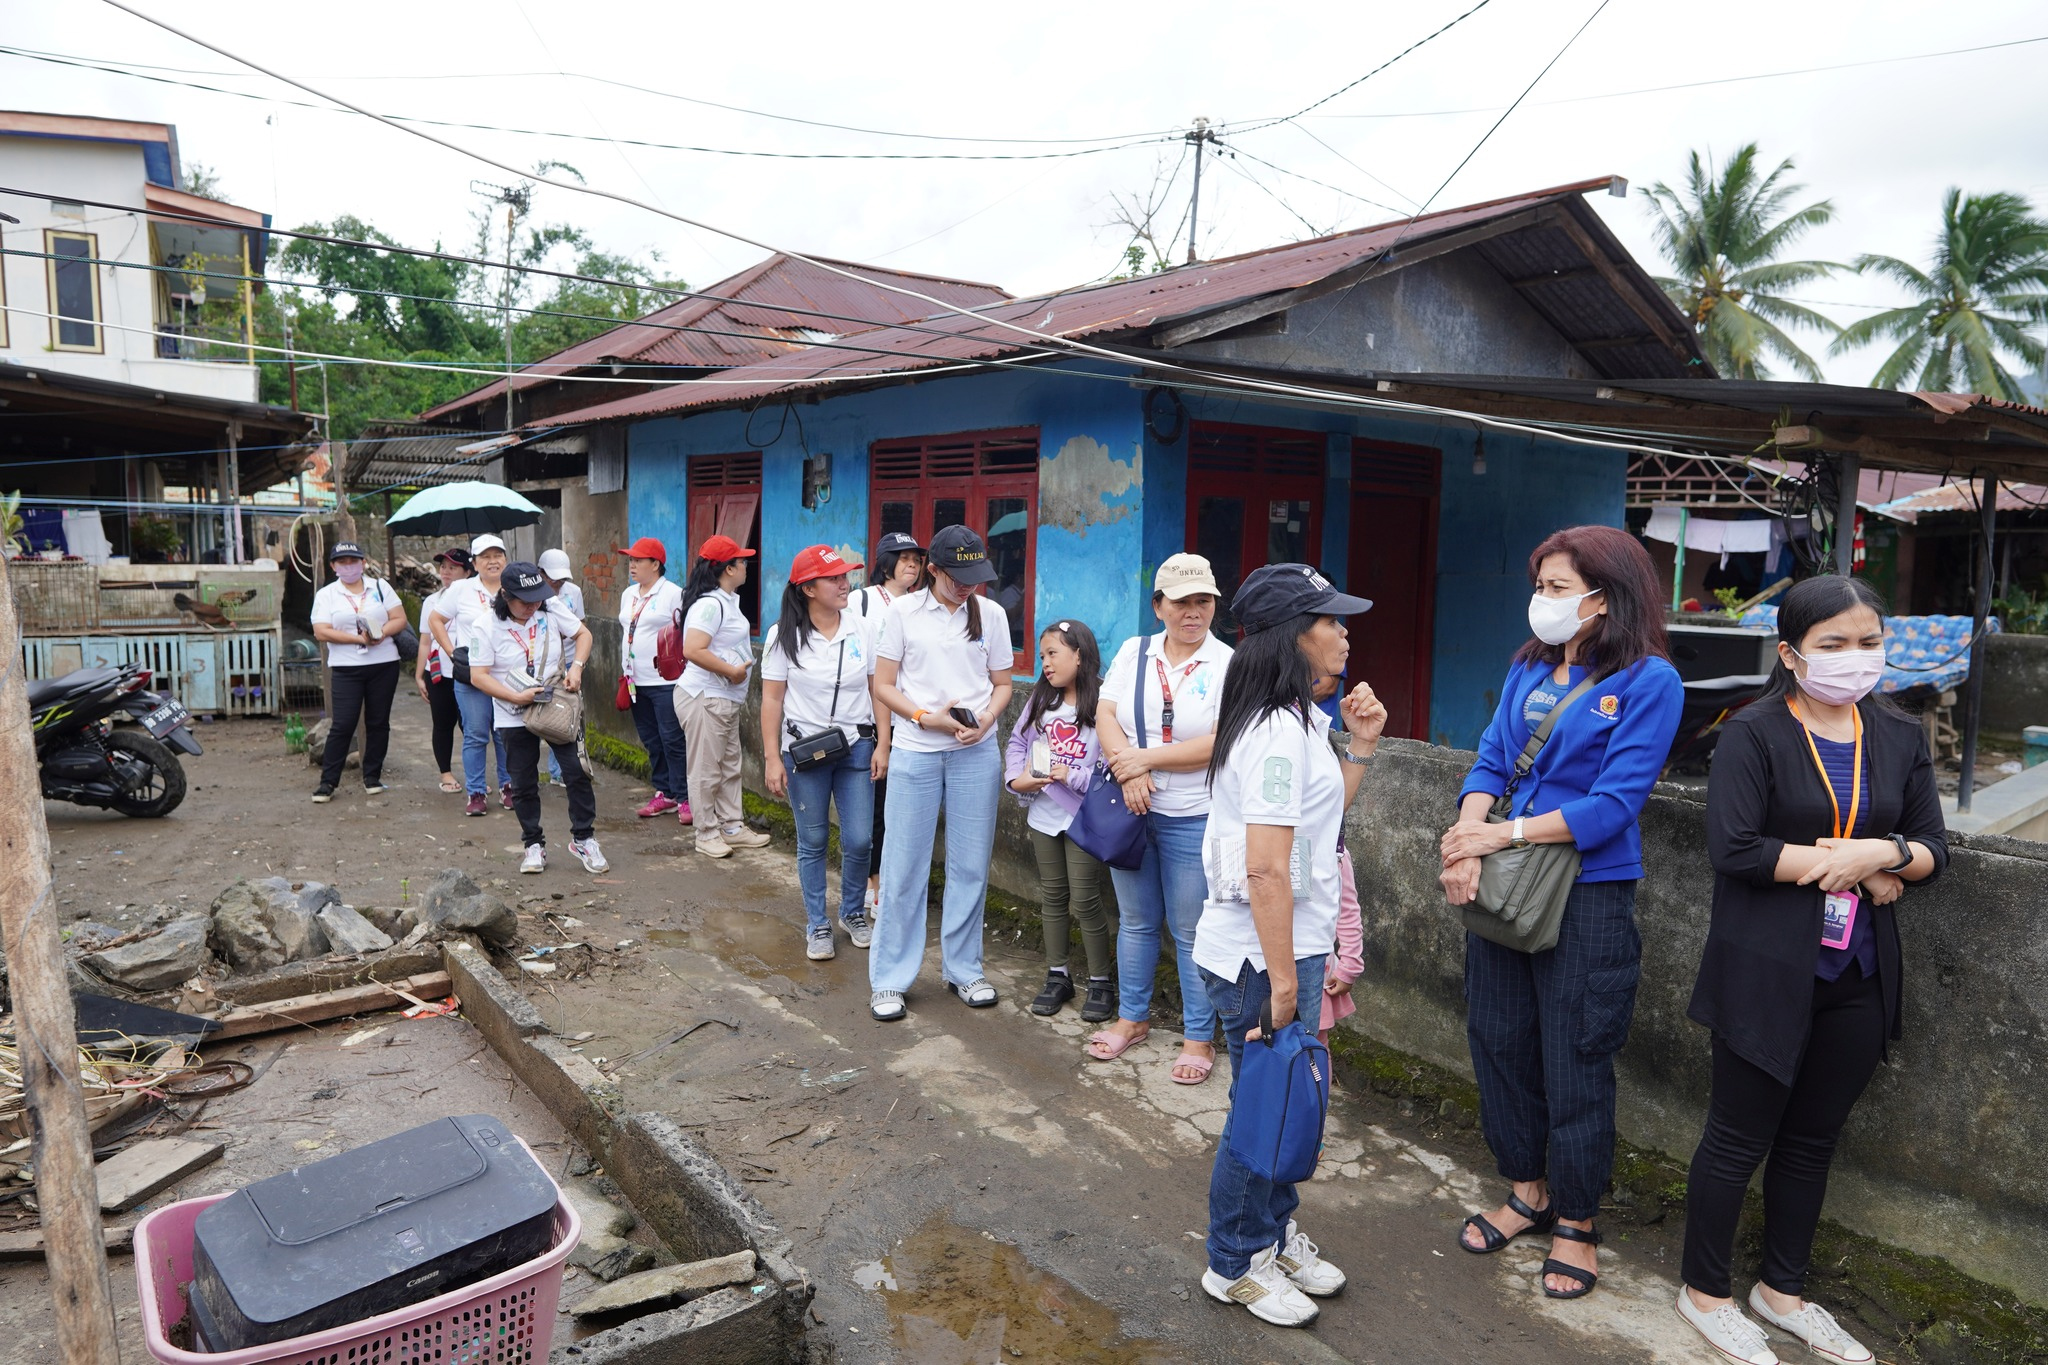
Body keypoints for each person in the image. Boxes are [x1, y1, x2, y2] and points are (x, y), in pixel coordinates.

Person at [1674, 575, 1943, 1365]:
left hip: (1860, 970)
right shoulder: (1752, 733)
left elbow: (1935, 847)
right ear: (1792, 655)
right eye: (1834, 644)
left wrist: (1887, 852)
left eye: (1868, 641)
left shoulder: (1898, 735)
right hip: (1765, 966)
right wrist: (1861, 866)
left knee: (1812, 1139)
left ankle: (1781, 1292)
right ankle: (1706, 1292)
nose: (1855, 658)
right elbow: (1735, 848)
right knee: (1735, 1137)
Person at [1440, 525, 1683, 1301]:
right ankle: (1527, 1189)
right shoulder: (1530, 667)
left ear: (1602, 597)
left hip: (1588, 894)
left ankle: (1577, 1220)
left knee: (1576, 1053)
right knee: (1498, 1038)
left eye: (1553, 587)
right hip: (1506, 885)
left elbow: (1614, 804)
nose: (1539, 601)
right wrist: (1468, 843)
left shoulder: (1650, 682)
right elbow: (1487, 760)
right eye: (1538, 585)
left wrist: (1498, 832)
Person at [1193, 562, 1385, 1327]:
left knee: (1284, 1100)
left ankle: (1270, 1234)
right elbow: (1268, 866)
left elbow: (1317, 826)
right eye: (1329, 621)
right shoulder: (1275, 730)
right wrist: (1280, 979)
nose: (1343, 633)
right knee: (1263, 1104)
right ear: (1289, 635)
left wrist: (1362, 744)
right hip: (1258, 956)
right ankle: (1234, 1260)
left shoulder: (1301, 716)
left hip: (1286, 949)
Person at [1089, 554, 1233, 1084]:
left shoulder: (1227, 663)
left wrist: (1143, 761)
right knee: (1136, 920)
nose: (1193, 612)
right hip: (1131, 809)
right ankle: (1133, 1018)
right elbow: (1105, 714)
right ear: (1159, 607)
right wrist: (1128, 774)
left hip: (1194, 813)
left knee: (1193, 928)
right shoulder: (1135, 651)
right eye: (1181, 602)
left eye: (1203, 601)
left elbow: (1220, 741)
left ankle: (1199, 1037)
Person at [867, 525, 1014, 1021]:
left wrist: (987, 721)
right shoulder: (902, 613)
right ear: (933, 569)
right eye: (958, 576)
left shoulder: (990, 614)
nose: (968, 585)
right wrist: (923, 718)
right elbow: (883, 685)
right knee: (903, 866)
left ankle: (963, 969)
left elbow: (1001, 684)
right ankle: (889, 979)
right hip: (916, 749)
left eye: (976, 576)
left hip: (975, 751)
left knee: (970, 865)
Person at [762, 545, 883, 961]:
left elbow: (876, 690)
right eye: (834, 579)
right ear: (808, 588)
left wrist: (883, 743)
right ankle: (817, 925)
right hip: (805, 753)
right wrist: (772, 758)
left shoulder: (862, 629)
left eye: (844, 576)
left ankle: (852, 912)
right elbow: (772, 701)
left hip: (857, 747)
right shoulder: (783, 635)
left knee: (860, 839)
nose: (843, 584)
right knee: (812, 840)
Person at [463, 561, 607, 875]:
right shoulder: (485, 626)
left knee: (576, 771)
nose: (533, 606)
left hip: (555, 706)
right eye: (525, 602)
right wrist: (515, 697)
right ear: (505, 595)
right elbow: (478, 676)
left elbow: (583, 634)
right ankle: (533, 844)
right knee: (524, 782)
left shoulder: (550, 608)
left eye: (536, 599)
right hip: (512, 712)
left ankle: (583, 838)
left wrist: (576, 667)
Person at [1004, 620, 1113, 1020]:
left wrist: (1074, 776)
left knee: (1085, 900)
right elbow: (1018, 742)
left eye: (1053, 654)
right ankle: (1058, 974)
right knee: (1052, 897)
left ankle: (1101, 981)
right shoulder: (1041, 699)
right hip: (1043, 813)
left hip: (1084, 818)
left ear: (1079, 655)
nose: (1045, 664)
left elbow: (1111, 764)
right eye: (1042, 655)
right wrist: (1016, 778)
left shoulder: (1104, 701)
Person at [675, 533, 769, 859]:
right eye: (742, 562)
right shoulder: (710, 605)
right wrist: (731, 672)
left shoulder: (726, 601)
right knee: (705, 770)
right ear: (729, 569)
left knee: (730, 765)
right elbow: (692, 649)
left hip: (723, 698)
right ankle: (706, 832)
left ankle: (731, 826)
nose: (747, 566)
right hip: (705, 696)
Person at [854, 531, 926, 920]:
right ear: (884, 563)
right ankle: (872, 884)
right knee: (875, 808)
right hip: (869, 720)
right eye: (903, 558)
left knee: (899, 808)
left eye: (916, 558)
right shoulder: (862, 600)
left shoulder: (922, 604)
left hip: (911, 722)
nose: (911, 564)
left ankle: (893, 882)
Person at [310, 541, 408, 802]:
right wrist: (358, 640)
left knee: (378, 722)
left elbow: (400, 618)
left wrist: (380, 633)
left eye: (354, 561)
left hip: (384, 664)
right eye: (342, 562)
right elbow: (321, 631)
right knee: (343, 724)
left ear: (363, 563)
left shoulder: (380, 587)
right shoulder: (327, 594)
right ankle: (328, 783)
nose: (349, 566)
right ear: (334, 566)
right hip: (346, 667)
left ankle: (372, 776)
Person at [428, 534, 512, 816]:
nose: (492, 561)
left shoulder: (513, 586)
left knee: (504, 733)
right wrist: (452, 652)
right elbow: (435, 620)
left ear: (505, 559)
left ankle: (509, 786)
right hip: (472, 675)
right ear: (474, 563)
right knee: (476, 734)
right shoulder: (461, 589)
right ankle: (475, 792)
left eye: (497, 555)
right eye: (485, 557)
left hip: (506, 674)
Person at [616, 537, 691, 826]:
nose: (632, 565)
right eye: (630, 560)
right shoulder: (629, 594)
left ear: (656, 564)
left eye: (638, 560)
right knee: (651, 740)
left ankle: (685, 797)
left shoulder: (673, 593)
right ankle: (665, 792)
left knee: (673, 739)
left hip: (665, 680)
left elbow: (687, 631)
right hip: (635, 679)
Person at [415, 546, 473, 795]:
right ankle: (446, 773)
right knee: (442, 723)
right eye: (443, 567)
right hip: (439, 672)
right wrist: (419, 675)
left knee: (472, 726)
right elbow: (425, 641)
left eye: (453, 567)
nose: (446, 572)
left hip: (470, 672)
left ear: (468, 572)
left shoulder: (477, 599)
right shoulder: (432, 601)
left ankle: (476, 777)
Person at [539, 548, 586, 786]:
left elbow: (581, 626)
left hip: (569, 661)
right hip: (544, 665)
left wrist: (578, 664)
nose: (557, 583)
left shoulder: (573, 592)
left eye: (561, 578)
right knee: (546, 716)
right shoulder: (533, 593)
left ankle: (564, 770)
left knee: (570, 714)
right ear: (541, 573)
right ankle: (553, 769)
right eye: (551, 577)